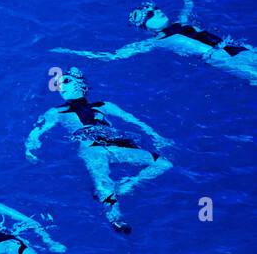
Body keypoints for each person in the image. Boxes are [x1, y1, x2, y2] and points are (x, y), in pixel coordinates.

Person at [25, 68, 171, 233]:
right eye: (58, 85)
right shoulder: (56, 111)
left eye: (66, 81)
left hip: (116, 144)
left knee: (163, 163)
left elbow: (134, 121)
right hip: (91, 148)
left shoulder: (104, 105)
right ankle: (115, 218)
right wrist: (30, 148)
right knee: (103, 182)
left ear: (82, 84)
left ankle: (127, 186)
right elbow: (37, 131)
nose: (60, 87)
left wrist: (156, 136)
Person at [54, 0, 257, 86]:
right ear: (144, 28)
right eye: (149, 15)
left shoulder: (181, 22)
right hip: (220, 58)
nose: (156, 12)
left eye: (155, 9)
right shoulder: (154, 42)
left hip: (234, 48)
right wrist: (70, 52)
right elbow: (112, 56)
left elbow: (188, 4)